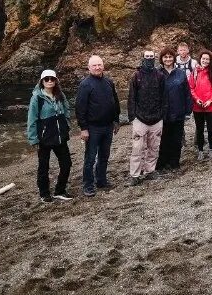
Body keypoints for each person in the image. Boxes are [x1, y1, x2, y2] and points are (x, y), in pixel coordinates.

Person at [75, 56, 121, 196]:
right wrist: (83, 128)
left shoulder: (109, 82)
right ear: (89, 68)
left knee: (104, 156)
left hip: (108, 126)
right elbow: (80, 108)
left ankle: (101, 180)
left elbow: (115, 102)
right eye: (94, 65)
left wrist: (116, 120)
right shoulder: (85, 84)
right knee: (90, 157)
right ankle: (88, 185)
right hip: (92, 128)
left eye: (99, 65)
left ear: (103, 66)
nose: (97, 67)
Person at [27, 69, 73, 203]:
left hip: (60, 137)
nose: (49, 81)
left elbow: (66, 110)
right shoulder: (37, 98)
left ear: (56, 80)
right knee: (43, 167)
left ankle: (60, 191)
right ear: (42, 81)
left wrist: (67, 126)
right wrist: (33, 139)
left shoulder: (60, 95)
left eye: (52, 79)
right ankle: (44, 193)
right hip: (44, 138)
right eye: (46, 79)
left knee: (66, 164)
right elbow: (32, 119)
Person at [127, 50, 167, 186]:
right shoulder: (136, 76)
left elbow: (164, 97)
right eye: (147, 57)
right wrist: (132, 116)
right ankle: (135, 175)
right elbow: (131, 97)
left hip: (156, 117)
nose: (149, 59)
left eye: (151, 57)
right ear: (142, 58)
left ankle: (150, 171)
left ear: (155, 58)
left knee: (154, 147)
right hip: (140, 118)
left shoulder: (160, 76)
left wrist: (162, 114)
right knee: (137, 148)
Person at [157, 47, 193, 170]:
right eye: (165, 57)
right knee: (163, 139)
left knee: (177, 139)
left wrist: (188, 110)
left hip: (178, 111)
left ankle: (174, 162)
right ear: (162, 59)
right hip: (162, 113)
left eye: (170, 56)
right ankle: (162, 163)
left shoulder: (180, 73)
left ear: (174, 58)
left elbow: (187, 93)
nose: (168, 59)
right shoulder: (158, 74)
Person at [189, 50, 212, 159]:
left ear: (210, 60)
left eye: (207, 59)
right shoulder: (194, 72)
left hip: (211, 107)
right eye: (203, 59)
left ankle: (211, 149)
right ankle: (200, 150)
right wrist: (196, 99)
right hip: (198, 106)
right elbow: (191, 88)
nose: (205, 61)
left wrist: (210, 101)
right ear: (200, 59)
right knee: (199, 129)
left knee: (211, 129)